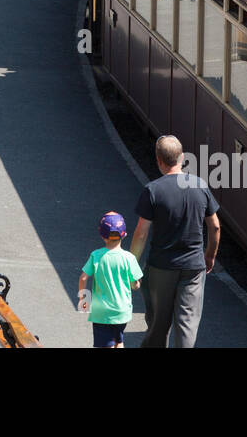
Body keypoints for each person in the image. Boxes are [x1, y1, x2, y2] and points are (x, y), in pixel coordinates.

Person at [130, 135, 220, 348]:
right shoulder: (200, 186)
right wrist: (210, 255)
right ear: (182, 158)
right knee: (187, 324)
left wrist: (131, 264)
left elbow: (141, 233)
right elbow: (215, 226)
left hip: (161, 266)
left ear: (159, 160)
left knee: (158, 324)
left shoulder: (153, 190)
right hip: (193, 267)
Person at [79, 212, 143, 348]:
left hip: (101, 312)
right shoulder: (129, 258)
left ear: (102, 235)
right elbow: (135, 284)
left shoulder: (96, 255)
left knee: (105, 344)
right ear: (124, 234)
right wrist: (135, 284)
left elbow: (83, 277)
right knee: (119, 341)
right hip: (121, 311)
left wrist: (84, 302)